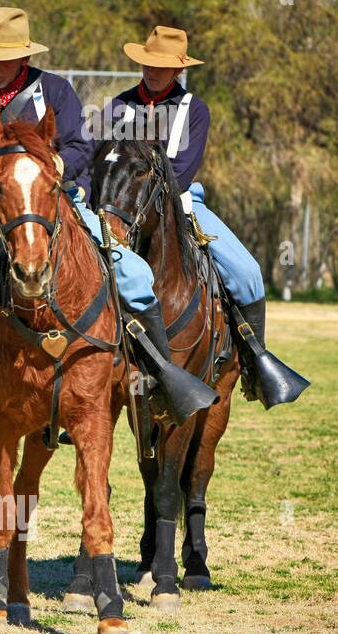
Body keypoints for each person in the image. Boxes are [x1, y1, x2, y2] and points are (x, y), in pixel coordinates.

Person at [0, 7, 216, 439]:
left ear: (24, 58)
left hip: (60, 203)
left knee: (130, 271)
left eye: (3, 58)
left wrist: (51, 164)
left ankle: (161, 378)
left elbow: (80, 147)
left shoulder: (55, 91)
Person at [101, 25, 308, 407]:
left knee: (247, 272)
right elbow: (106, 161)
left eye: (162, 66)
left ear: (178, 69)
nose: (153, 71)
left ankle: (253, 363)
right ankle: (92, 384)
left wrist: (153, 197)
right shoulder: (117, 107)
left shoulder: (194, 109)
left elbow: (184, 168)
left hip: (181, 204)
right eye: (148, 63)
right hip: (121, 208)